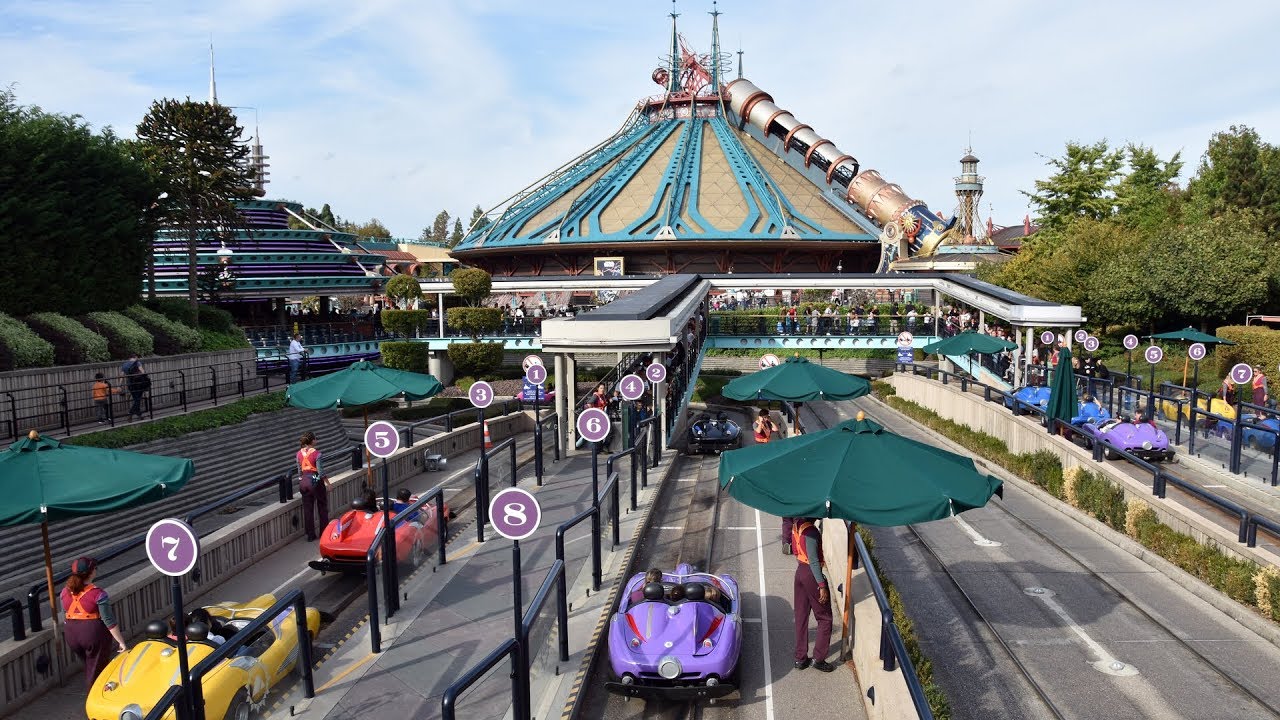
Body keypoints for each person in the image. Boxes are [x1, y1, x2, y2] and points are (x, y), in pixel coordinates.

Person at [61, 557, 127, 689]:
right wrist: (121, 642)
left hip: (71, 634)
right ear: (91, 572)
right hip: (92, 634)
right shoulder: (98, 594)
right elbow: (108, 620)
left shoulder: (65, 591)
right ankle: (96, 696)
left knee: (89, 665)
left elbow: (65, 610)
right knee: (96, 671)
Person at [791, 519, 834, 672]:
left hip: (800, 572)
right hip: (811, 575)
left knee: (801, 616)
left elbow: (796, 552)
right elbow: (814, 561)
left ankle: (800, 658)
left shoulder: (796, 525)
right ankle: (819, 658)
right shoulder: (811, 532)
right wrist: (822, 585)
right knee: (824, 617)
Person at [296, 432, 330, 542]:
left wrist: (304, 480)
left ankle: (310, 535)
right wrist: (328, 483)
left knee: (308, 509)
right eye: (316, 438)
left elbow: (299, 472)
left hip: (303, 482)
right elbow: (320, 472)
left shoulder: (298, 454)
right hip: (314, 479)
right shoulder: (317, 454)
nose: (317, 440)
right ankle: (323, 532)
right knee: (322, 506)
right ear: (312, 441)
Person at [121, 354, 148, 421]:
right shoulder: (137, 363)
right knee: (137, 400)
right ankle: (130, 413)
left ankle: (139, 415)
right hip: (138, 384)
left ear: (129, 358)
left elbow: (121, 376)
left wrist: (119, 385)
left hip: (130, 385)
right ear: (135, 357)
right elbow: (142, 372)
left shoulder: (124, 365)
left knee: (136, 399)